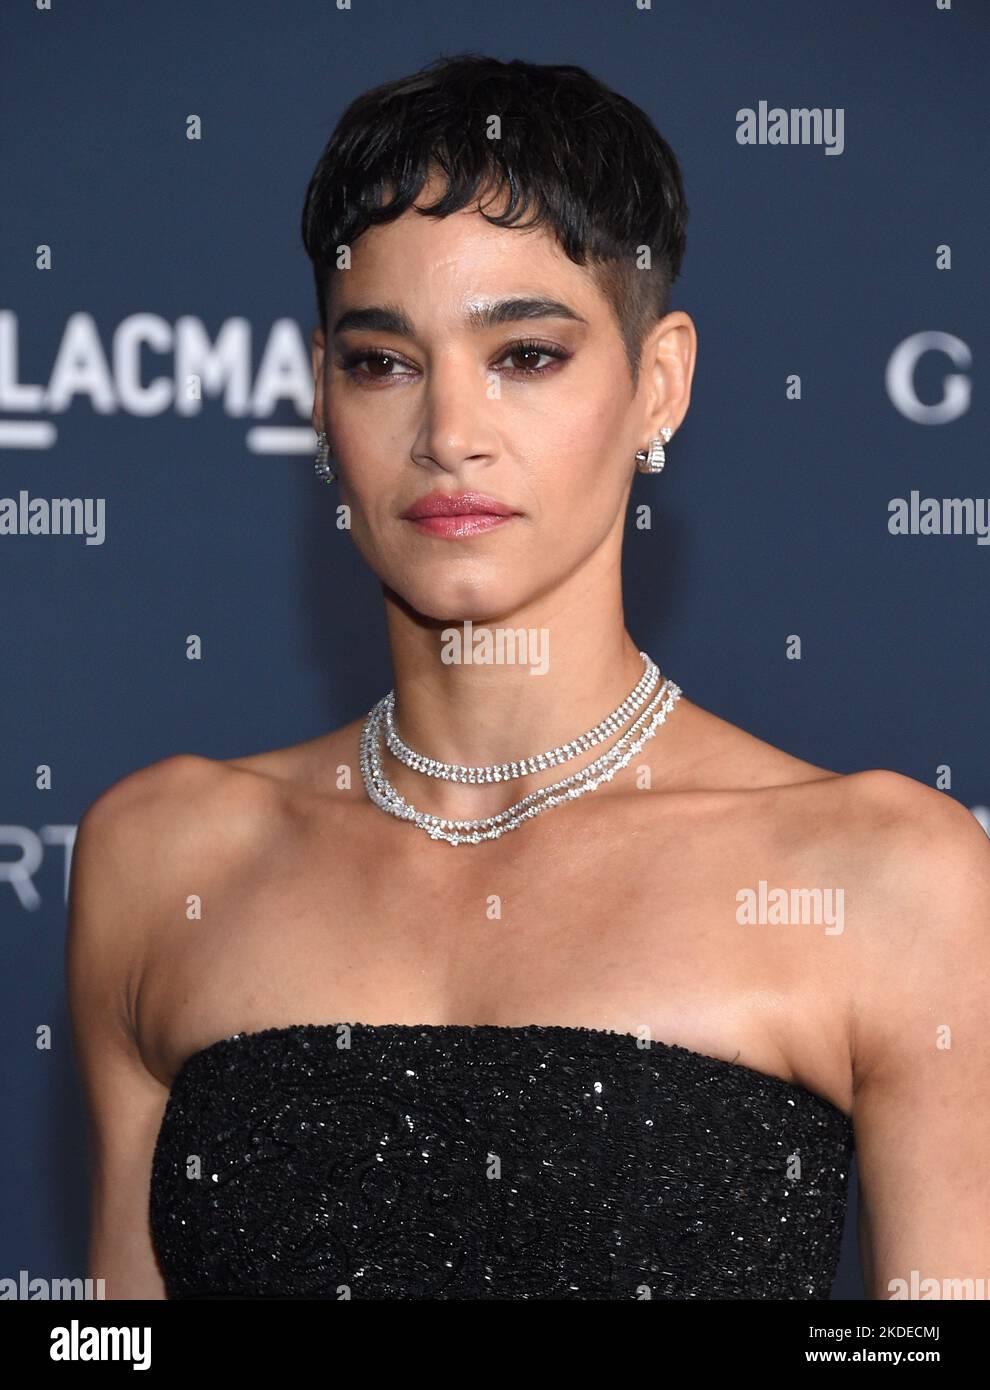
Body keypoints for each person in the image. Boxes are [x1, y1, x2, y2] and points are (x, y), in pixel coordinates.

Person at [67, 53, 990, 1301]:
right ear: (319, 395)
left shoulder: (889, 879)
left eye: (527, 355)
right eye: (383, 361)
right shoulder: (162, 859)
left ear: (658, 383)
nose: (450, 434)